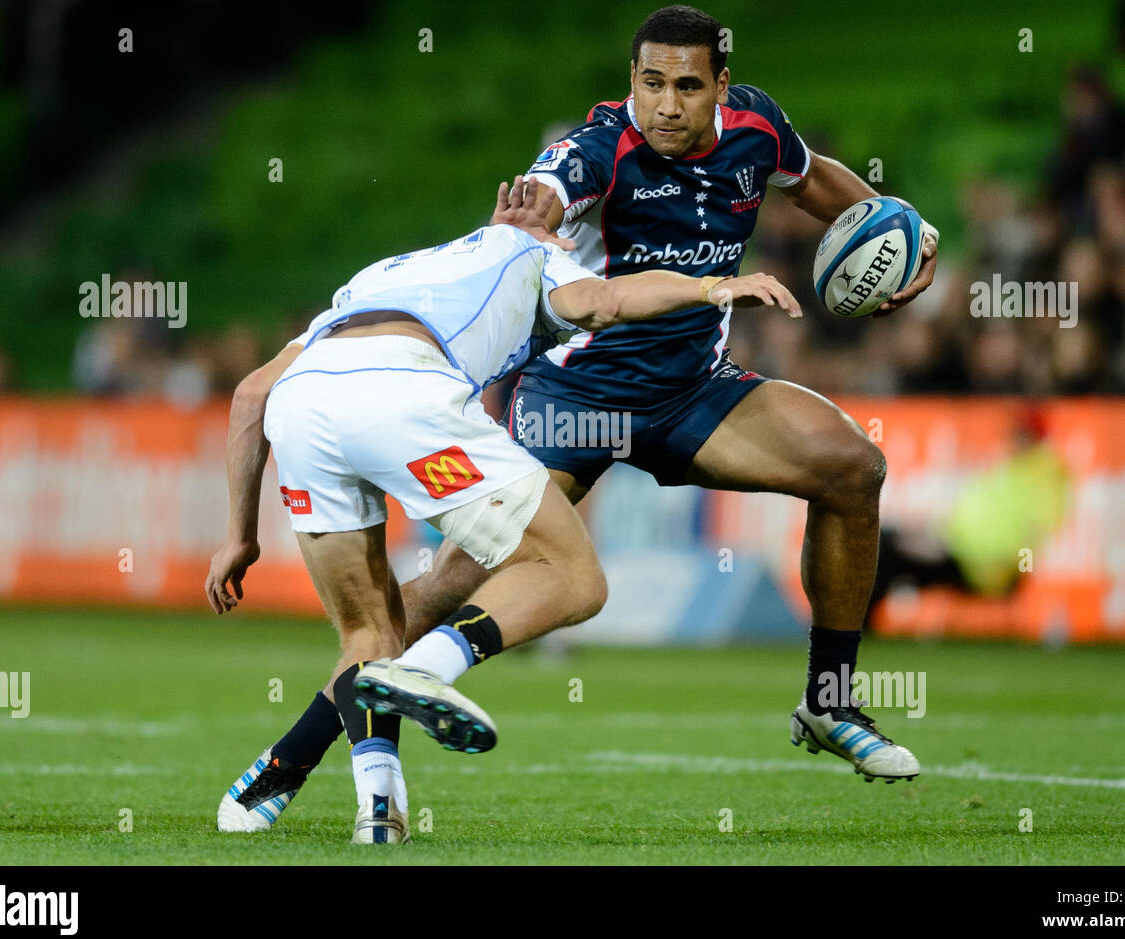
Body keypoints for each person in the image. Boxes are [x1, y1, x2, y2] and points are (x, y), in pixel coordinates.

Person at [395, 5, 938, 781]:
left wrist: (901, 228)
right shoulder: (597, 149)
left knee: (854, 467)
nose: (667, 104)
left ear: (722, 85)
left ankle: (830, 700)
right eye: (652, 83)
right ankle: (325, 722)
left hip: (692, 392)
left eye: (688, 85)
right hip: (574, 399)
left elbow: (817, 183)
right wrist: (525, 224)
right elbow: (547, 196)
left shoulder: (757, 129)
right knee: (455, 576)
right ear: (633, 82)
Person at [204, 177, 798, 843]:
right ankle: (431, 665)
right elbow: (611, 298)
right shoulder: (541, 258)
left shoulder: (385, 273)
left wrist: (238, 535)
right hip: (407, 396)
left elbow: (253, 395)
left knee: (370, 633)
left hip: (306, 404)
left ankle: (364, 803)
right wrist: (711, 287)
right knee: (572, 575)